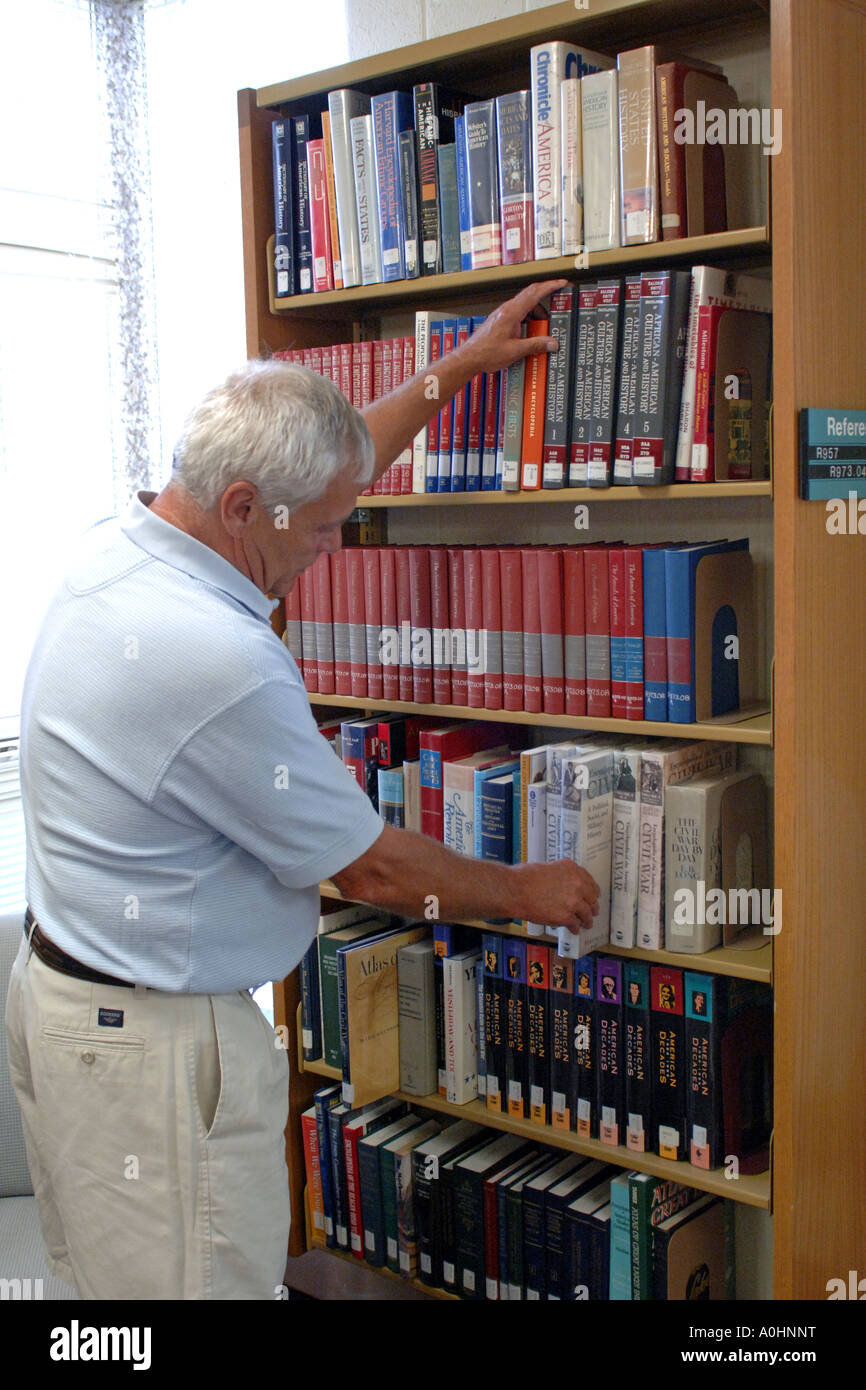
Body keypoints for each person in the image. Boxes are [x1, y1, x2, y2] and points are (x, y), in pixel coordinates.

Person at [5, 279, 600, 1301]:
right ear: (245, 507)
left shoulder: (125, 544)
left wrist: (449, 374)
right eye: (319, 533)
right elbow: (368, 866)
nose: (329, 555)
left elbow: (325, 463)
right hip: (147, 1051)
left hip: (81, 1011)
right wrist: (525, 891)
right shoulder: (213, 655)